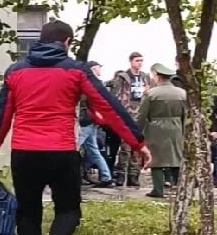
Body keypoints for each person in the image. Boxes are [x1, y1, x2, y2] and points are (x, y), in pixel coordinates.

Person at [0, 20, 148, 235]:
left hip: (24, 153)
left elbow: (2, 116)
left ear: (40, 41)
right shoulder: (76, 71)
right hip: (61, 152)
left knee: (28, 213)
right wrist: (137, 142)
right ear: (68, 42)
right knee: (69, 210)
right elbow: (109, 106)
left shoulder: (15, 72)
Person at [139, 63, 187, 199]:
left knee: (156, 159)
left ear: (158, 77)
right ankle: (180, 189)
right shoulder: (182, 93)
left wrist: (137, 131)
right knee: (176, 158)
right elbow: (186, 114)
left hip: (155, 128)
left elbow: (142, 115)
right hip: (177, 127)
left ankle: (158, 190)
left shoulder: (150, 93)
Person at [108, 53, 150, 186]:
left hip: (140, 113)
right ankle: (121, 174)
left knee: (137, 146)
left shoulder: (145, 77)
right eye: (137, 60)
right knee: (125, 146)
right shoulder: (123, 78)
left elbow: (149, 93)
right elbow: (115, 96)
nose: (140, 63)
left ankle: (134, 175)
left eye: (141, 61)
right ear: (131, 62)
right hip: (126, 113)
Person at [77, 61, 113, 187]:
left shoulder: (86, 83)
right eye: (98, 67)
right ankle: (106, 176)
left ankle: (65, 175)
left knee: (73, 147)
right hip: (91, 119)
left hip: (84, 120)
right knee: (94, 150)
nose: (100, 70)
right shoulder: (96, 83)